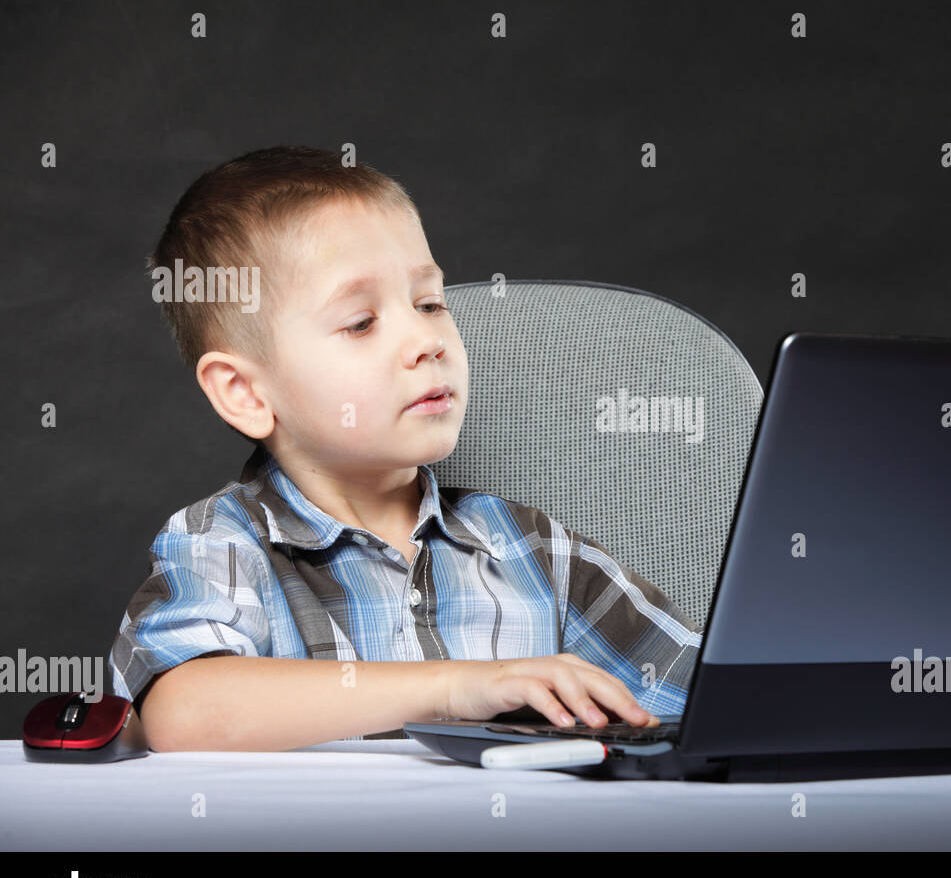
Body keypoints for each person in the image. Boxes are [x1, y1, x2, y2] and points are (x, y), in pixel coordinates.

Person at [109, 146, 701, 751]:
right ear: (245, 393)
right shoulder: (222, 543)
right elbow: (183, 710)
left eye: (429, 303)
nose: (426, 340)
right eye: (360, 322)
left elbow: (716, 700)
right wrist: (456, 688)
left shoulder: (535, 552)